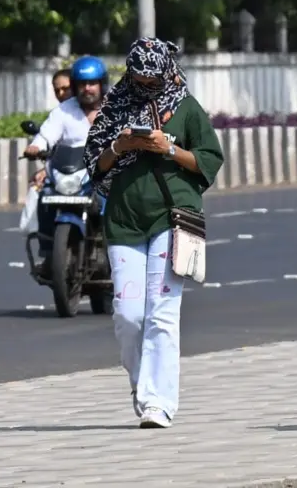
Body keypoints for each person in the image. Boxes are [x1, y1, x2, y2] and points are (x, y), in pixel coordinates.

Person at [84, 37, 224, 429]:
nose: (146, 85)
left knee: (162, 314)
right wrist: (121, 143)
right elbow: (94, 164)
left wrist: (168, 148)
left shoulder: (186, 108)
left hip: (171, 219)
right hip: (124, 221)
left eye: (153, 79)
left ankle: (158, 403)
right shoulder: (114, 106)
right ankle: (140, 385)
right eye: (139, 78)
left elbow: (208, 161)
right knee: (129, 315)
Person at [22, 56, 109, 275]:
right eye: (81, 84)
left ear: (102, 84)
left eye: (92, 83)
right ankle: (49, 253)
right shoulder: (64, 111)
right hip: (73, 173)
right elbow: (47, 134)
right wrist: (36, 147)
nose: (87, 89)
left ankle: (112, 252)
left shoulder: (116, 107)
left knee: (115, 203)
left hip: (106, 174)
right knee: (45, 196)